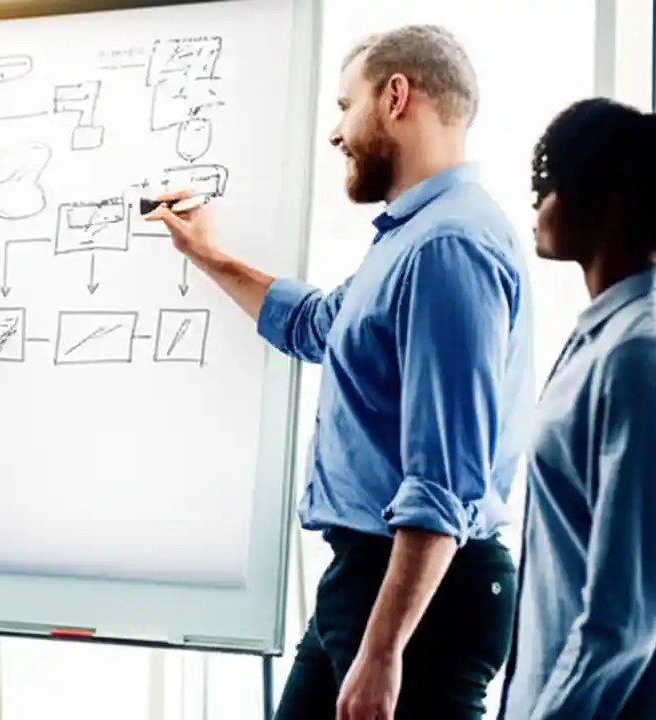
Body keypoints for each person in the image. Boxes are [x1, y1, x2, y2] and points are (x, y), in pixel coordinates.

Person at [146, 24, 533, 720]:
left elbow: (443, 478)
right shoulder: (411, 236)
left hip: (421, 602)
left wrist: (385, 650)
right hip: (368, 580)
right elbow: (318, 325)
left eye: (343, 105)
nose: (335, 133)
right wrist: (207, 255)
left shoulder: (449, 246)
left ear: (395, 96)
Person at [498, 88, 656, 720]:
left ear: (606, 202)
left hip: (646, 703)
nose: (536, 197)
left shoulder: (644, 354)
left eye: (549, 178)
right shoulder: (614, 335)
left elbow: (629, 607)